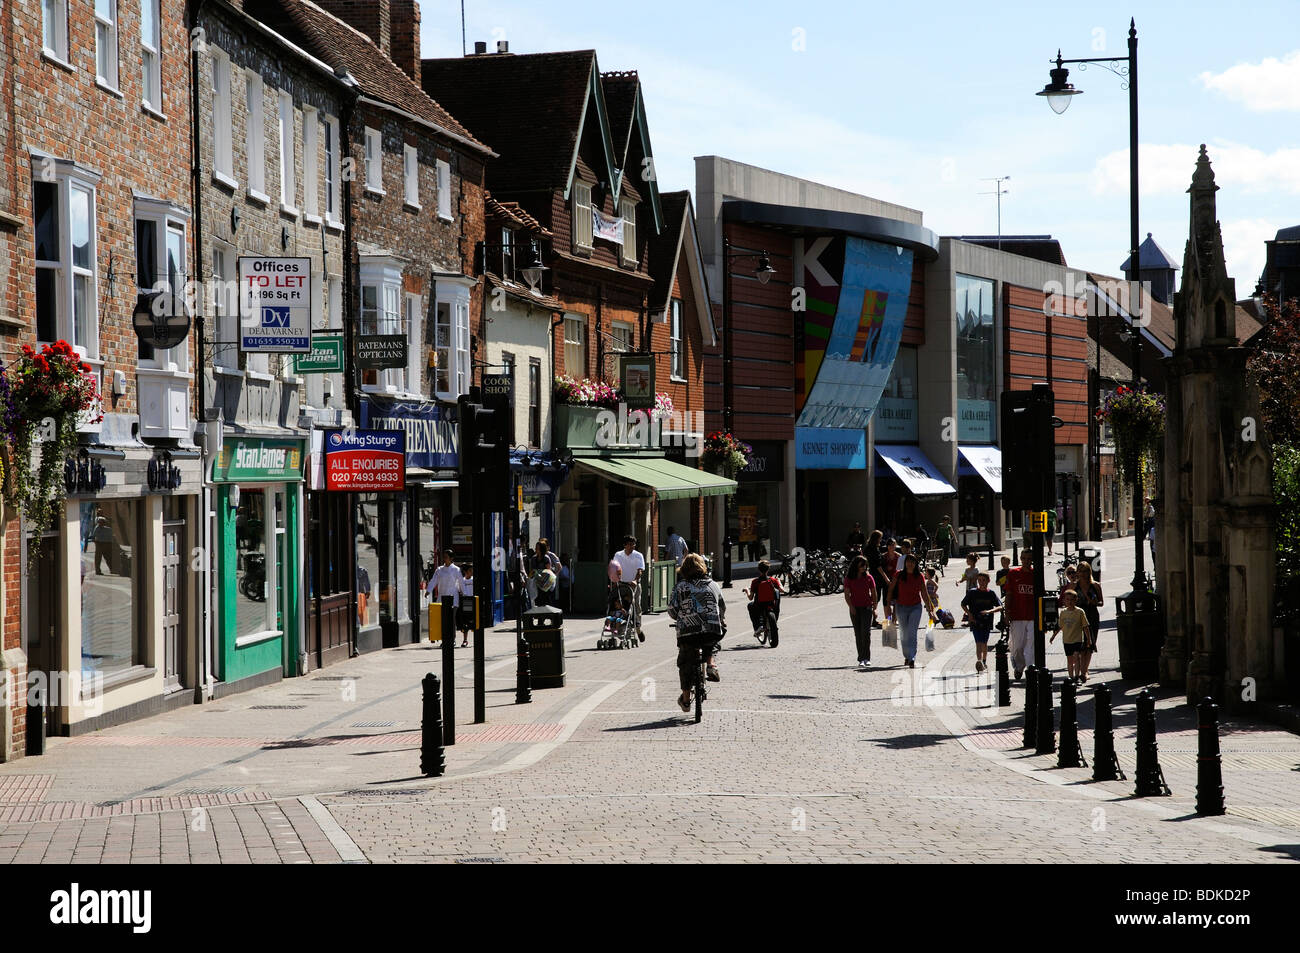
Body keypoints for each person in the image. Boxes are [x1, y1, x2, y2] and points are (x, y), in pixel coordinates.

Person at [668, 553, 726, 712]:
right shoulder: (713, 584)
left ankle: (686, 701)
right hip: (711, 630)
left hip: (688, 631)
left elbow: (672, 610)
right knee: (713, 636)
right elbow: (721, 607)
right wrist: (720, 619)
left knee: (685, 662)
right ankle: (711, 664)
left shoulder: (680, 587)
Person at [886, 552, 937, 669]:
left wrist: (930, 610)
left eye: (913, 562)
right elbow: (890, 590)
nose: (910, 564)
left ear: (916, 564)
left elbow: (924, 593)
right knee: (904, 633)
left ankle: (912, 657)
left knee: (912, 632)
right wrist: (888, 605)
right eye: (908, 561)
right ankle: (907, 656)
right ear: (905, 563)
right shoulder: (898, 575)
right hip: (901, 607)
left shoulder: (919, 576)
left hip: (915, 607)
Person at [960, 572, 1002, 673]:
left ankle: (984, 661)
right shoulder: (972, 592)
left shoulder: (991, 593)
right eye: (979, 580)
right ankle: (979, 662)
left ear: (988, 581)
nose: (981, 582)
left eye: (984, 580)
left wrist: (989, 611)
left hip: (986, 621)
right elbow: (963, 604)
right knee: (978, 642)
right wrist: (969, 614)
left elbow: (1000, 606)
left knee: (984, 642)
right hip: (975, 620)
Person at [1005, 551, 1036, 679]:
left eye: (1029, 559)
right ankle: (1019, 666)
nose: (1026, 561)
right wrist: (1007, 612)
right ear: (1020, 559)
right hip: (1017, 615)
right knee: (1017, 646)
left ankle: (1030, 668)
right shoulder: (1013, 573)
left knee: (1031, 643)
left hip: (1033, 615)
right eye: (1024, 559)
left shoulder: (1036, 574)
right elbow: (1009, 594)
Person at [1049, 589, 1091, 684]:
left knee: (1077, 657)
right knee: (1069, 660)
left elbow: (1085, 626)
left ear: (1076, 600)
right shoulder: (1063, 613)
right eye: (1067, 599)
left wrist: (1088, 640)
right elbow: (1059, 626)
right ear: (1064, 600)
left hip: (1077, 639)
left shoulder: (1080, 612)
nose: (1070, 602)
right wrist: (1053, 636)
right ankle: (1070, 677)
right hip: (1067, 640)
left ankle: (1077, 677)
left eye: (1072, 599)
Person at [844, 555, 878, 668]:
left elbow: (874, 593)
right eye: (862, 565)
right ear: (856, 565)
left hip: (866, 607)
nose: (864, 568)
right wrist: (851, 606)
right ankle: (861, 658)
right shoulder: (849, 578)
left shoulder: (869, 577)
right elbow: (847, 594)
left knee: (866, 633)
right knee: (858, 634)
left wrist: (875, 608)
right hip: (855, 608)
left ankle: (867, 658)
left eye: (865, 565)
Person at [1074, 561, 1104, 682]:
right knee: (1081, 644)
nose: (1082, 573)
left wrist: (1095, 602)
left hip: (1092, 615)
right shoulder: (1074, 586)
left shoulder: (1095, 585)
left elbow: (1101, 602)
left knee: (1090, 644)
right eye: (1080, 570)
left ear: (1089, 572)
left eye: (1085, 571)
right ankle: (1083, 670)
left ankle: (1084, 671)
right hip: (1079, 615)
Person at [612, 536, 646, 640]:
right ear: (625, 545)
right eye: (630, 544)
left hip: (634, 585)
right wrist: (615, 580)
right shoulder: (618, 555)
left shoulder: (638, 555)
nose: (632, 547)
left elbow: (640, 570)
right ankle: (620, 628)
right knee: (621, 606)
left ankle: (638, 628)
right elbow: (615, 568)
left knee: (636, 606)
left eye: (633, 544)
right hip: (621, 585)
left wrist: (635, 581)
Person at [745, 560, 784, 640]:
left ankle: (757, 627)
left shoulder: (755, 582)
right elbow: (782, 590)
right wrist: (779, 582)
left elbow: (750, 598)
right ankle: (774, 622)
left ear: (759, 570)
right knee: (777, 598)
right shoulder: (773, 580)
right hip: (771, 604)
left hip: (759, 605)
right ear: (768, 569)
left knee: (750, 606)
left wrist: (746, 590)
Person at [430, 550, 463, 640]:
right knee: (443, 620)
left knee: (451, 620)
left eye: (446, 557)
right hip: (442, 597)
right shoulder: (439, 569)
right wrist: (428, 590)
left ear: (451, 558)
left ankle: (452, 639)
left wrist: (464, 593)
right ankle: (444, 639)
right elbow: (434, 580)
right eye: (443, 557)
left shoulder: (456, 569)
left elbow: (461, 582)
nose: (444, 559)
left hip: (453, 598)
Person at [955, 552, 979, 624]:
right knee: (967, 605)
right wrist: (958, 581)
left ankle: (971, 619)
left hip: (974, 590)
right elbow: (963, 578)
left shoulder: (976, 570)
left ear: (972, 561)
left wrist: (968, 578)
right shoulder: (966, 570)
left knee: (971, 605)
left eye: (968, 560)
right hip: (968, 590)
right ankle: (970, 618)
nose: (966, 561)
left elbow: (974, 579)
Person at [457, 563, 475, 647]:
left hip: (472, 601)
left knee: (474, 622)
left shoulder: (473, 580)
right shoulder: (462, 581)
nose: (472, 572)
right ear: (465, 572)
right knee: (465, 622)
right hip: (465, 602)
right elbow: (459, 590)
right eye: (470, 571)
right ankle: (465, 640)